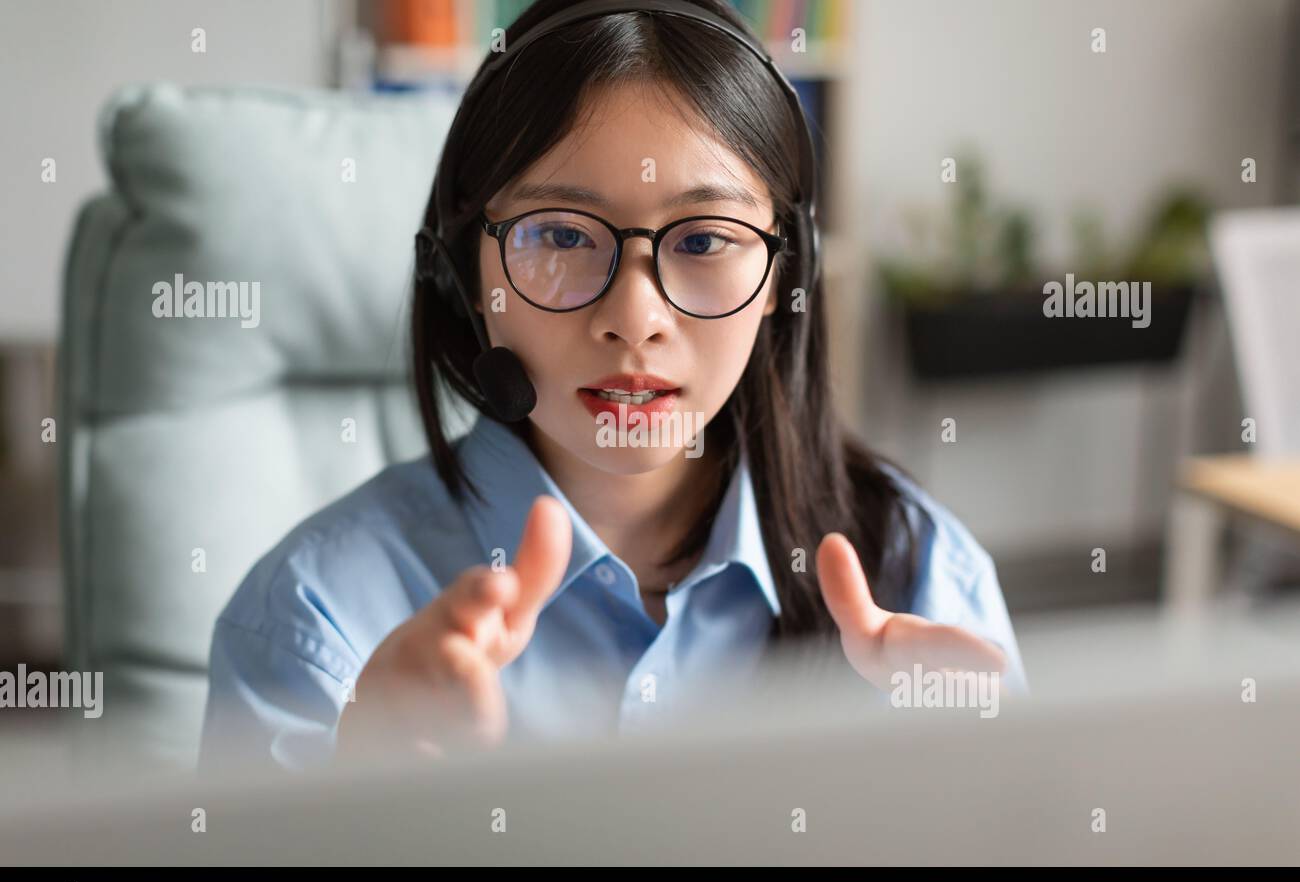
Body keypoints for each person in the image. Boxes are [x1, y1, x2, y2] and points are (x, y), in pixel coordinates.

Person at [199, 0, 1026, 771]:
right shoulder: (315, 618)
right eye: (561, 233)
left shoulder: (920, 571)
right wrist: (351, 806)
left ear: (784, 276)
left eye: (704, 241)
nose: (635, 318)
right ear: (460, 271)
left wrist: (994, 799)